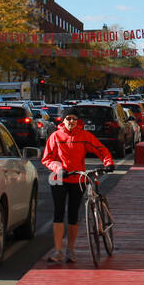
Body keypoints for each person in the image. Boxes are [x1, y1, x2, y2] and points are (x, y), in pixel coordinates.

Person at [41, 109, 114, 263]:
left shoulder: (84, 136)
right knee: (58, 213)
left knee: (73, 215)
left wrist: (108, 163)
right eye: (68, 118)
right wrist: (59, 169)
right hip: (59, 179)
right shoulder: (55, 136)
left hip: (78, 179)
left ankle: (71, 250)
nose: (71, 121)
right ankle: (58, 250)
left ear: (78, 121)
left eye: (74, 119)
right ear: (63, 120)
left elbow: (100, 149)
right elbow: (47, 158)